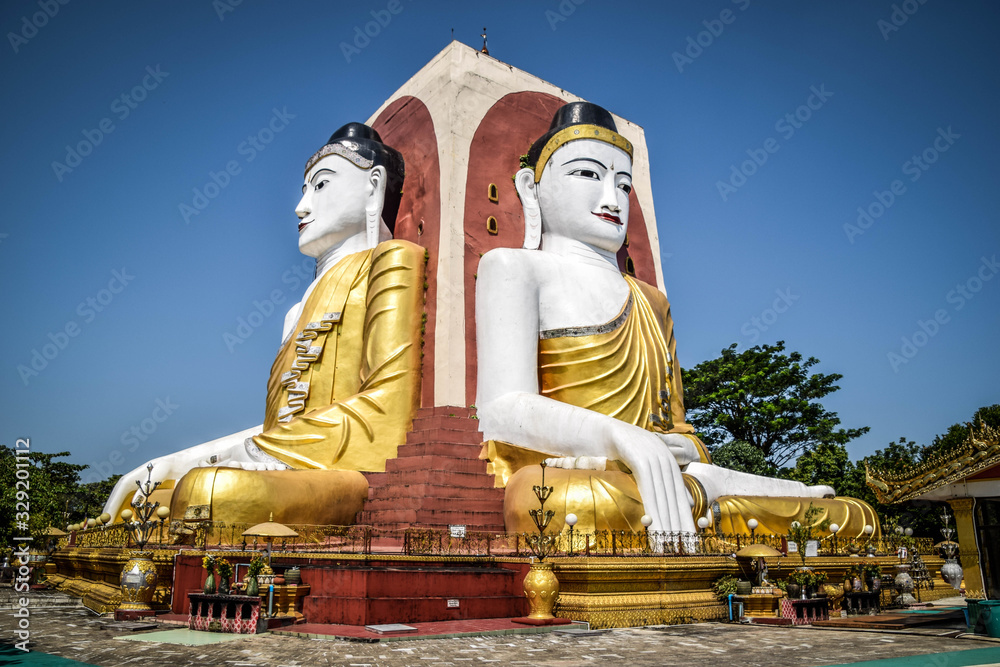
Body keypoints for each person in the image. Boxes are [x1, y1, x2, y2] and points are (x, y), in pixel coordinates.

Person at [475, 102, 833, 536]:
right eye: (587, 174)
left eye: (622, 185)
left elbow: (675, 424)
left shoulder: (652, 301)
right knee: (561, 501)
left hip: (660, 472)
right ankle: (701, 503)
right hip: (584, 471)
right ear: (532, 187)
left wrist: (681, 446)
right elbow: (502, 408)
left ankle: (702, 496)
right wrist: (620, 438)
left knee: (844, 513)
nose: (611, 199)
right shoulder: (513, 268)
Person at [104, 124, 425, 525]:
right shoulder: (295, 311)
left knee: (211, 491)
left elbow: (386, 412)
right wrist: (174, 461)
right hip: (287, 458)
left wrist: (242, 456)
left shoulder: (391, 260)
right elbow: (283, 423)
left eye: (321, 186)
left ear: (373, 185)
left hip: (344, 472)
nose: (301, 207)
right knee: (160, 492)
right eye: (305, 189)